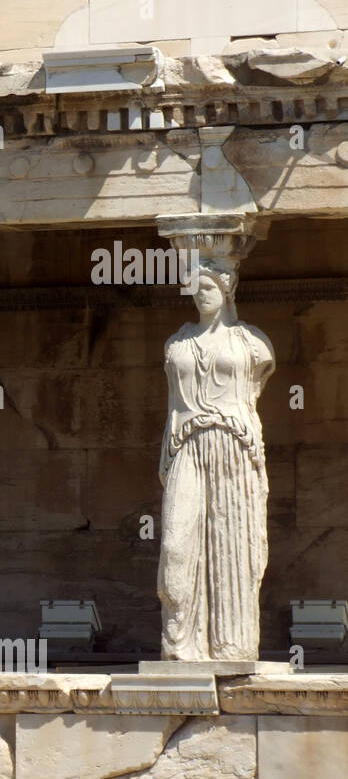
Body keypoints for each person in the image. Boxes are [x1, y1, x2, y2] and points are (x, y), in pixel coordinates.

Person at [158, 262, 274, 661]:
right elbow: (173, 406)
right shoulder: (177, 344)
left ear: (226, 289)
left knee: (232, 543)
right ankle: (180, 643)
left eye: (208, 286)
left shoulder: (252, 343)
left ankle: (231, 645)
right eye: (194, 287)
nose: (200, 294)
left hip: (233, 445)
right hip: (186, 445)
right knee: (176, 544)